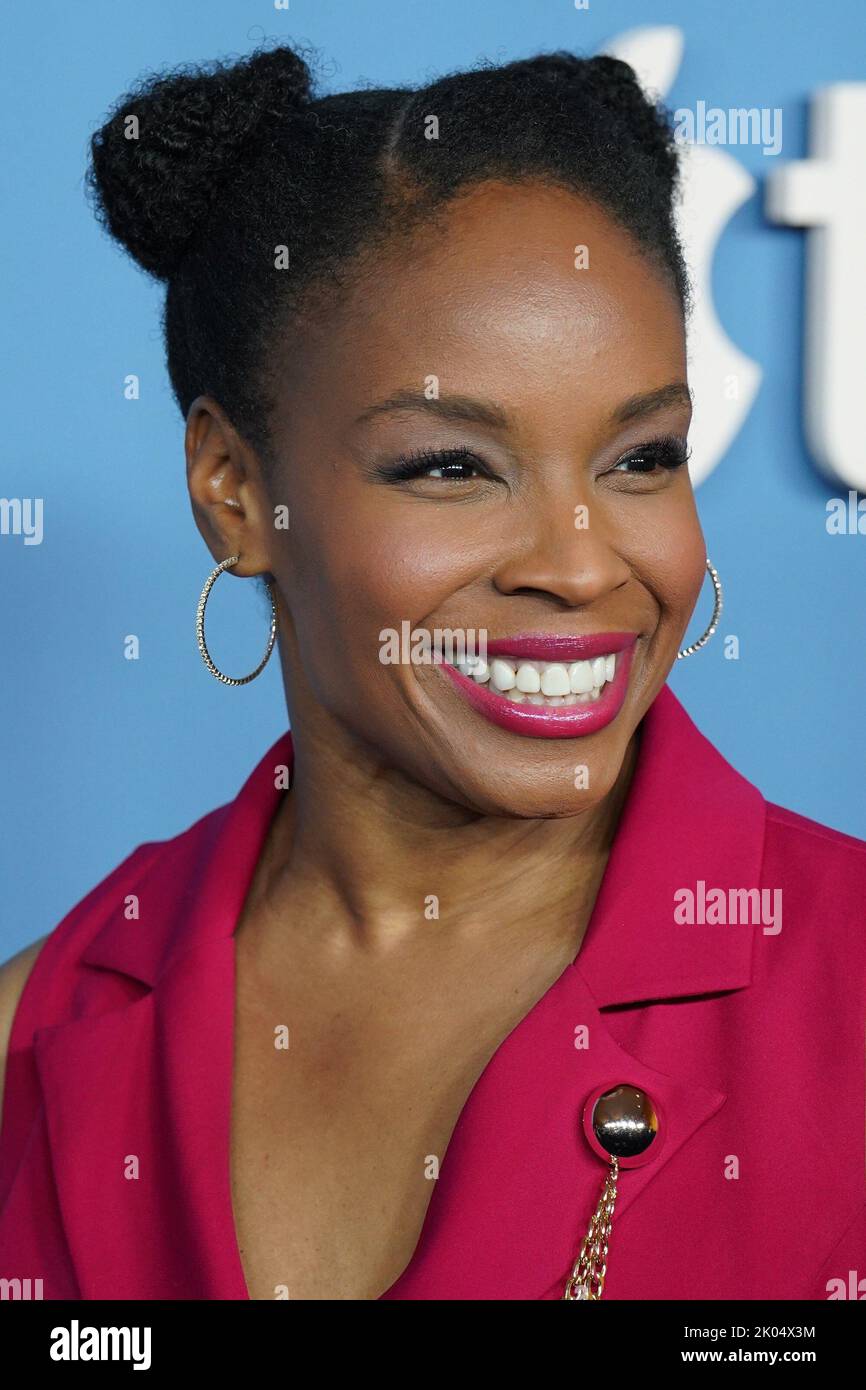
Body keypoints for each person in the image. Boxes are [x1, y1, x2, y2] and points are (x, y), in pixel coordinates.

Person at [1, 42, 864, 1302]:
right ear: (233, 490)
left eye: (640, 457)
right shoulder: (41, 1024)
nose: (579, 566)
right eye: (451, 467)